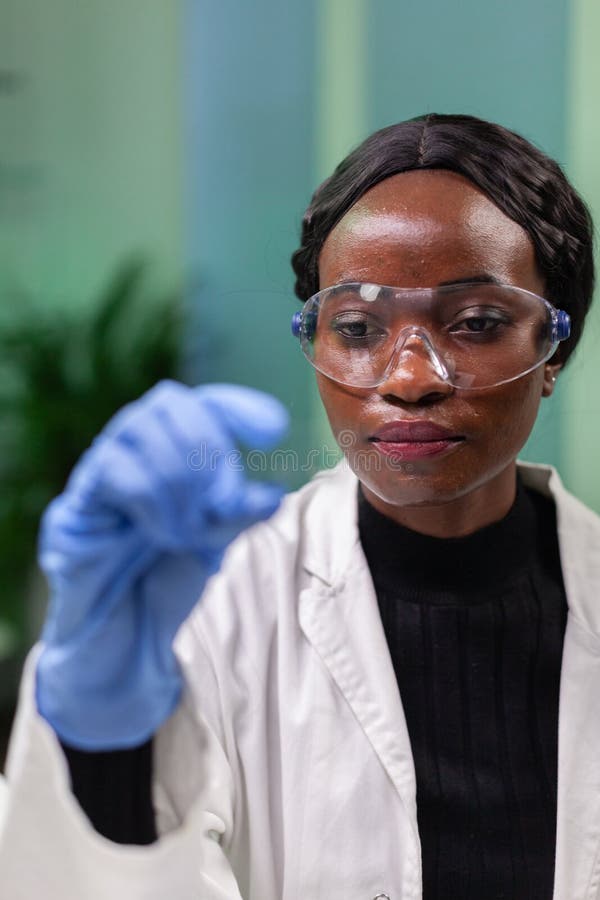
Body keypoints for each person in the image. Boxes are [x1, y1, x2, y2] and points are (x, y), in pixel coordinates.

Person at [0, 113, 599, 900]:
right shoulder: (212, 604)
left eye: (477, 323)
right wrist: (100, 744)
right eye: (357, 326)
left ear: (554, 348)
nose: (410, 378)